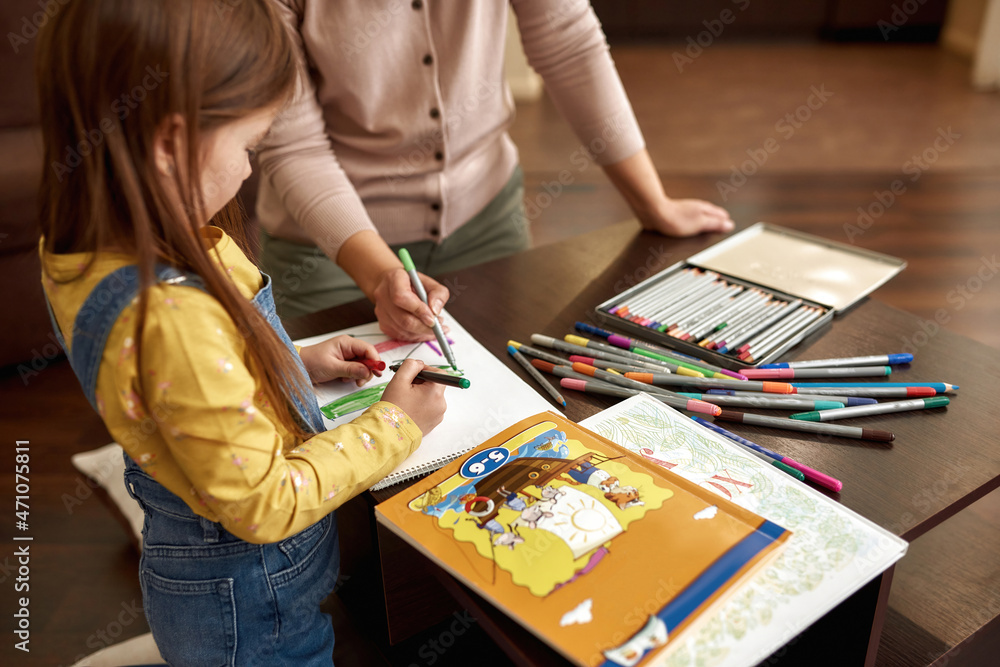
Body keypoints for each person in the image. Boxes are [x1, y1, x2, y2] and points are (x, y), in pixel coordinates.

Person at [36, 1, 446, 664]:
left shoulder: (81, 243)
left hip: (228, 593)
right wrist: (395, 424)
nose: (253, 171)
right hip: (250, 610)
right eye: (250, 147)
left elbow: (179, 389)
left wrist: (291, 361)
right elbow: (266, 502)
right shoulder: (170, 317)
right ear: (171, 145)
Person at [256, 0, 735, 335]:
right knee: (342, 426)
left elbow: (569, 44)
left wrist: (653, 204)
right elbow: (295, 146)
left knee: (510, 403)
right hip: (324, 252)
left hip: (486, 216)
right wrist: (380, 274)